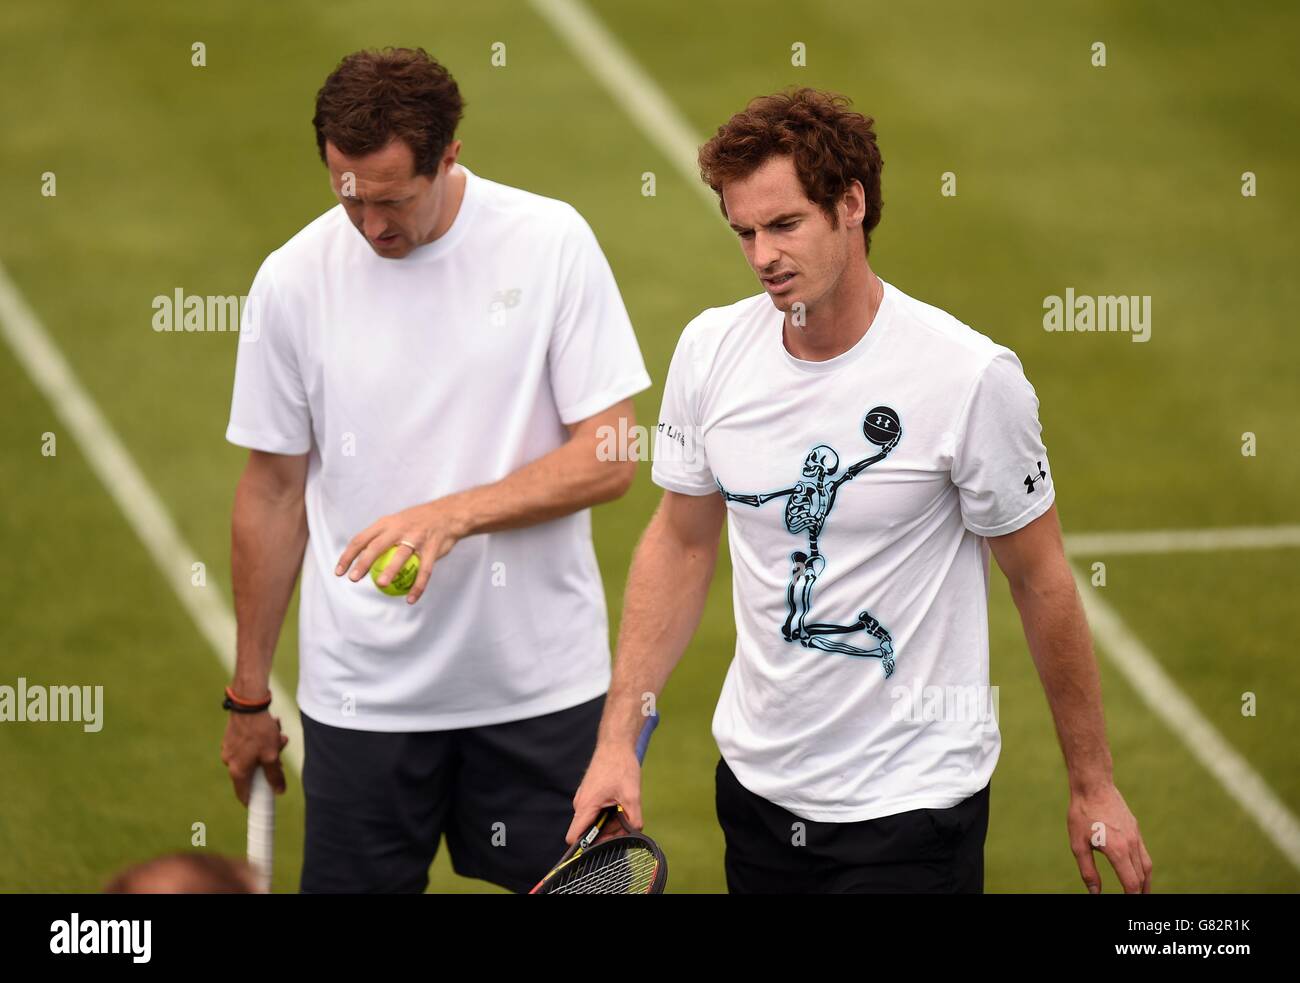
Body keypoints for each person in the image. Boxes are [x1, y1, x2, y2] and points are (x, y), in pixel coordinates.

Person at [568, 88, 1152, 894]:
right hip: (758, 792)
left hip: (910, 807)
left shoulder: (968, 377)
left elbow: (1039, 575)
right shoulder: (709, 352)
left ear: (852, 205)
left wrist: (1092, 781)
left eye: (783, 225)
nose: (762, 255)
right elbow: (681, 540)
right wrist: (614, 742)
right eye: (744, 232)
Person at [221, 47, 651, 893]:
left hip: (540, 691)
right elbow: (272, 492)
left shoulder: (550, 243)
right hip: (362, 704)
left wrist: (454, 513)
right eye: (349, 196)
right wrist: (247, 696)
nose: (371, 225)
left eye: (392, 200)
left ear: (449, 153)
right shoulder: (291, 281)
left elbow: (611, 455)